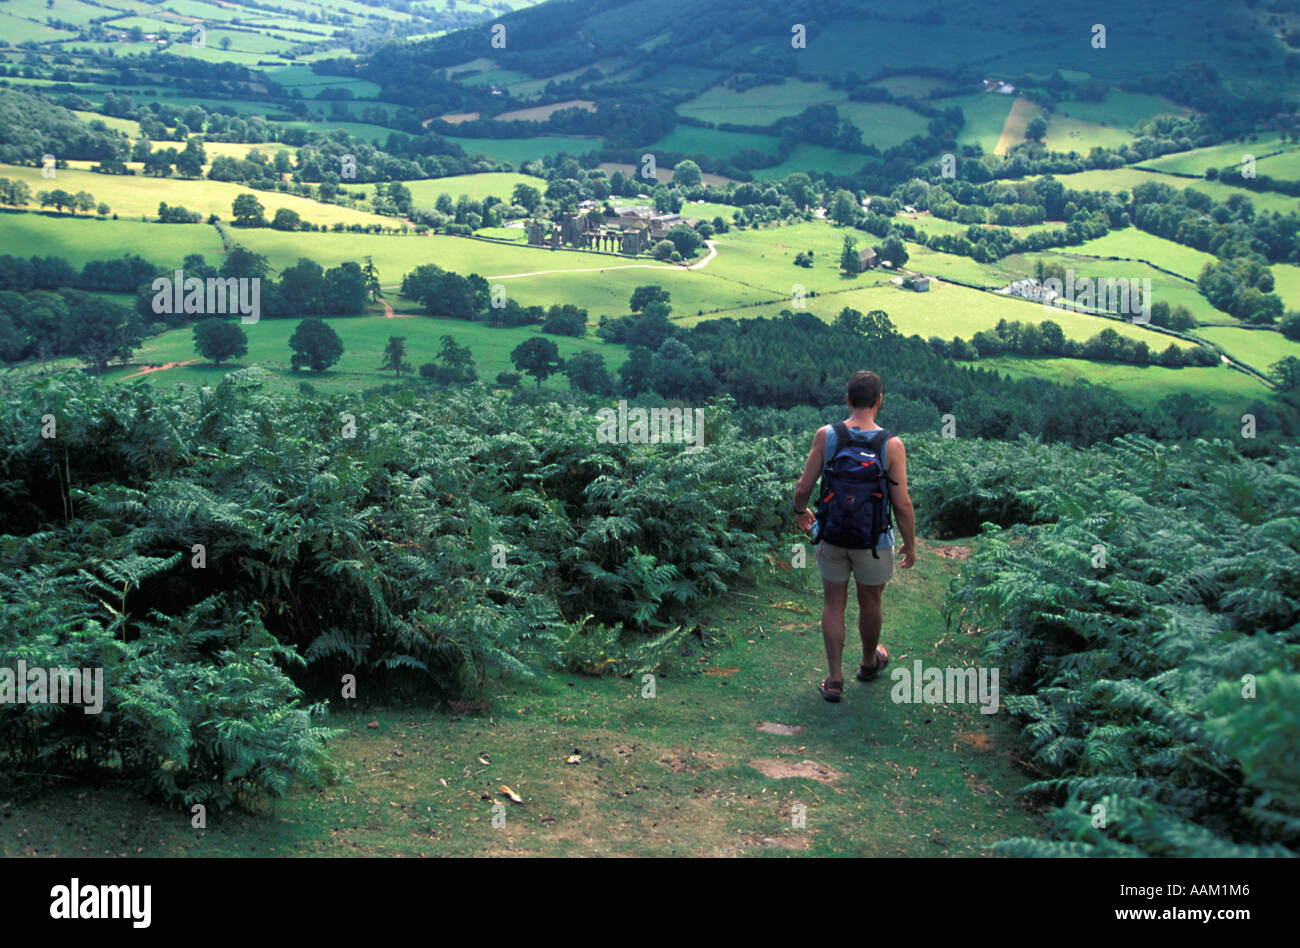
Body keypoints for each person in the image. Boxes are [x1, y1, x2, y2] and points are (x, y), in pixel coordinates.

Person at [792, 370, 916, 702]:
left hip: (832, 536)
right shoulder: (892, 445)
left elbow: (804, 488)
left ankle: (834, 679)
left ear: (847, 399)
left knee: (833, 602)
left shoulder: (826, 435)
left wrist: (800, 511)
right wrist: (911, 544)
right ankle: (867, 662)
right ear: (879, 401)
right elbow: (902, 505)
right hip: (873, 541)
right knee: (871, 601)